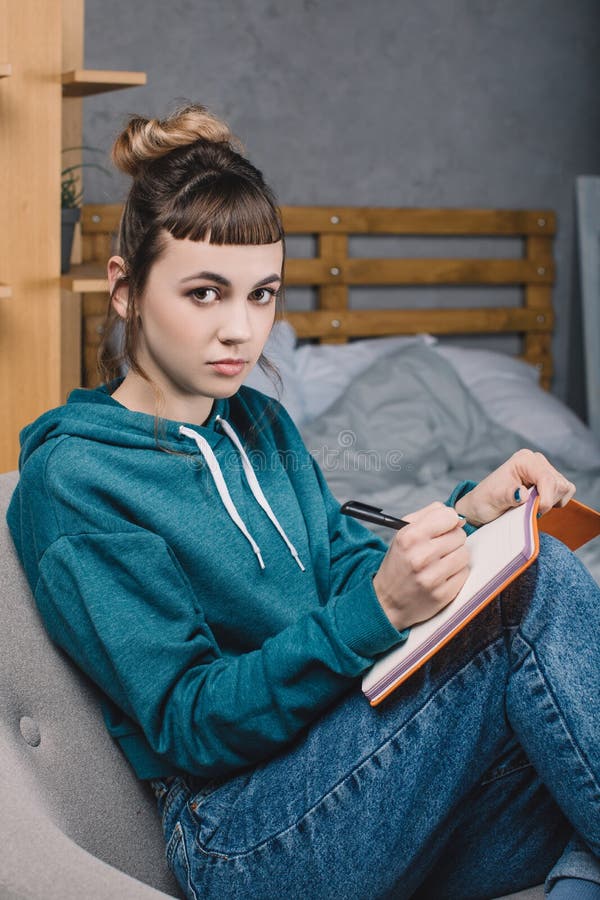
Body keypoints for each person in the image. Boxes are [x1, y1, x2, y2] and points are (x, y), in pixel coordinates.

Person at [6, 103, 600, 900]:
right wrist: (379, 613)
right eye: (206, 293)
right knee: (543, 591)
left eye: (263, 295)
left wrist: (471, 518)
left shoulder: (259, 422)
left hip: (350, 773)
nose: (241, 333)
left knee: (560, 741)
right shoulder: (77, 480)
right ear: (125, 291)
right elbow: (192, 721)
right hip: (241, 837)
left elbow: (357, 571)